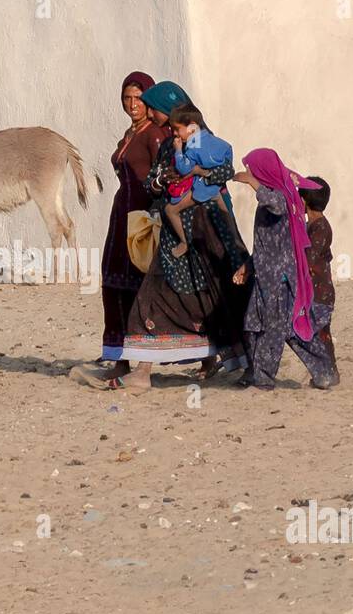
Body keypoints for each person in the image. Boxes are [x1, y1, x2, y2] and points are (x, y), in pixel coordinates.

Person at [98, 81, 248, 391]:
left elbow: (222, 174)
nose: (149, 113)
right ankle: (143, 370)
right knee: (155, 292)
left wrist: (192, 176)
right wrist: (167, 179)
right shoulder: (170, 144)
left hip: (205, 230)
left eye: (153, 107)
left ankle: (229, 360)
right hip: (174, 233)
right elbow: (155, 181)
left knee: (211, 293)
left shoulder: (204, 143)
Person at [234, 148, 339, 390]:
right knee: (256, 326)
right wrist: (248, 267)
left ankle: (265, 378)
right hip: (266, 277)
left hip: (280, 281)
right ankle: (259, 372)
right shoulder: (273, 200)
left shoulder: (282, 197)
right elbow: (265, 244)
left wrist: (253, 184)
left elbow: (277, 205)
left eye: (253, 169)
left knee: (277, 330)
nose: (250, 172)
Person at [98, 71, 166, 372]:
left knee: (140, 285)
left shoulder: (154, 134)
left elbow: (162, 176)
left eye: (138, 98)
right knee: (114, 282)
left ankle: (143, 359)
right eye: (127, 98)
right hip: (122, 216)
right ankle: (118, 355)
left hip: (142, 217)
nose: (132, 104)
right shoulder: (129, 134)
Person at [164, 106, 236, 259]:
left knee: (170, 210)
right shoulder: (215, 141)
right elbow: (228, 155)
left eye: (177, 129)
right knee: (229, 228)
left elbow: (183, 169)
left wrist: (178, 150)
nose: (174, 134)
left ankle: (184, 242)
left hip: (203, 190)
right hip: (216, 189)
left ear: (191, 127)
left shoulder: (192, 146)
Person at [299, 176, 337, 369]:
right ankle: (328, 371)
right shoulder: (311, 225)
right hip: (316, 291)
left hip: (319, 293)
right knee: (320, 334)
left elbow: (308, 259)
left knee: (321, 334)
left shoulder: (320, 227)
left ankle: (328, 371)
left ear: (305, 200)